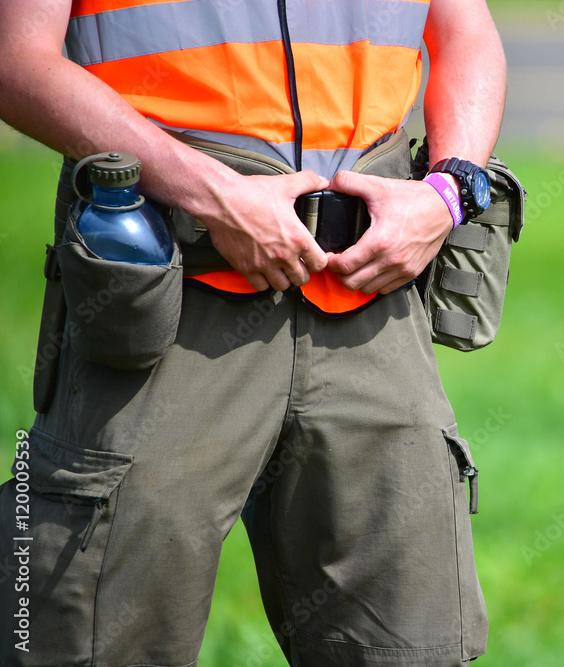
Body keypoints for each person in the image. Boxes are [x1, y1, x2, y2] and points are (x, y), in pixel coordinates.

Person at [0, 0, 506, 664]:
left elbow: (466, 30)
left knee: (410, 644)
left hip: (371, 299)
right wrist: (213, 194)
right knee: (96, 639)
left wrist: (448, 191)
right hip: (167, 302)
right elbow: (17, 59)